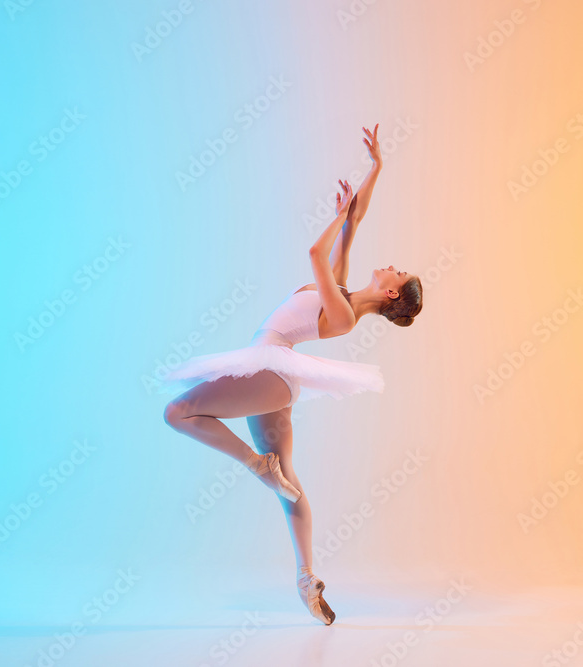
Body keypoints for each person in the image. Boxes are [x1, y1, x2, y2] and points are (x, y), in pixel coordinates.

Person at [162, 124, 423, 625]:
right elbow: (356, 221)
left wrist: (336, 214)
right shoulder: (340, 291)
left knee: (178, 412)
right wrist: (376, 168)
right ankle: (307, 579)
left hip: (271, 368)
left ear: (392, 293)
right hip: (274, 376)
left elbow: (313, 254)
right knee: (289, 482)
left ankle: (254, 464)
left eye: (399, 271)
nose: (392, 266)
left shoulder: (344, 314)